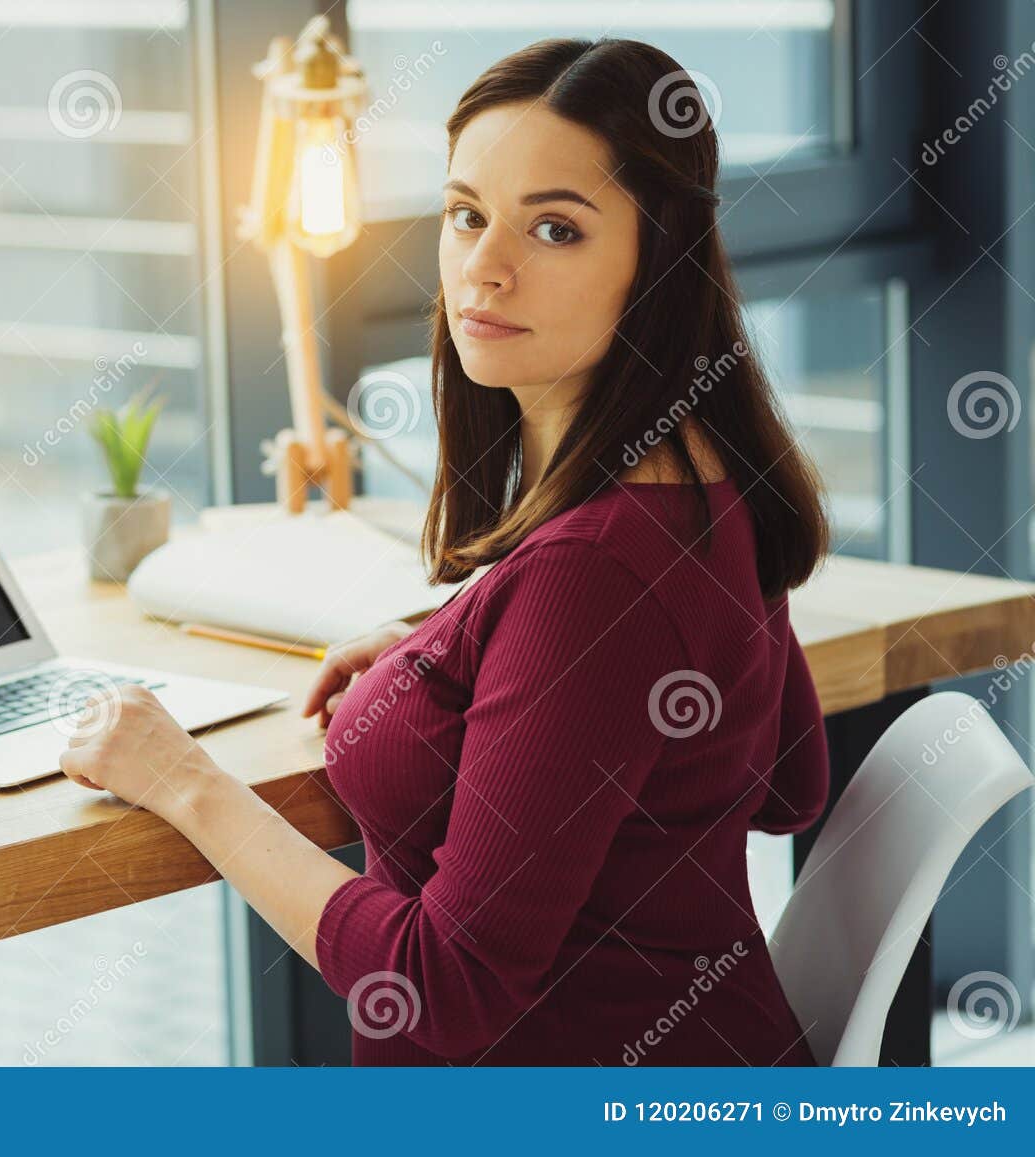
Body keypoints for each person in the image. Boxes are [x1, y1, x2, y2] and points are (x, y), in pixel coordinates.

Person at [57, 38, 830, 1065]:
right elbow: (787, 780)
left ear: (661, 259)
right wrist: (463, 651)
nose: (485, 266)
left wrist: (185, 779)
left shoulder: (594, 571)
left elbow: (437, 990)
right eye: (466, 214)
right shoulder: (701, 483)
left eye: (555, 228)